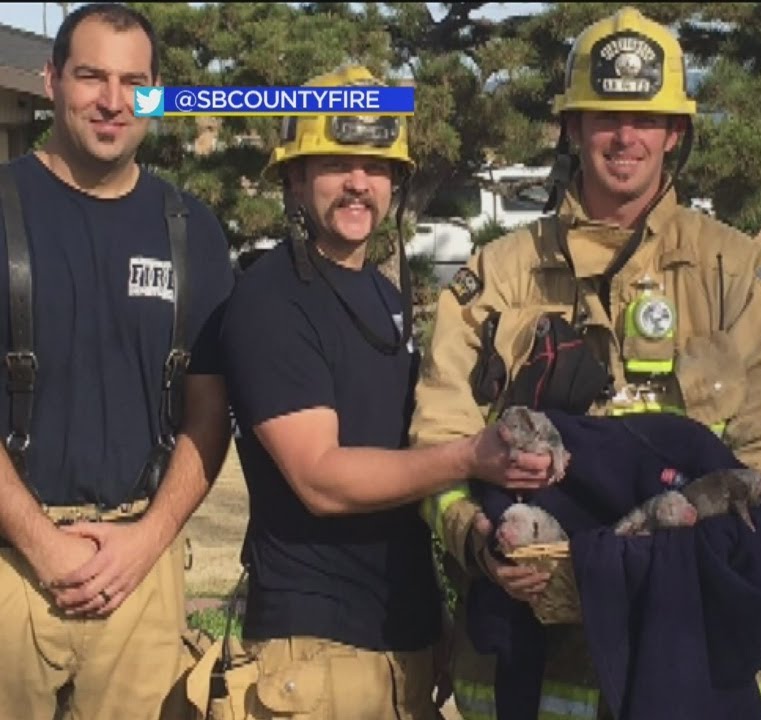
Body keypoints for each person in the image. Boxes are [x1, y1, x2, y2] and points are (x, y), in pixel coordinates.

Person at [409, 6, 761, 718]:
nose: (624, 137)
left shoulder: (732, 272)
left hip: (688, 645)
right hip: (529, 671)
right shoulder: (498, 276)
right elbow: (438, 438)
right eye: (602, 116)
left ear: (674, 135)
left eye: (645, 119)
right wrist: (480, 542)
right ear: (572, 128)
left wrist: (693, 536)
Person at [216, 64, 558, 720]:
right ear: (293, 175)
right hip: (314, 656)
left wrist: (439, 606)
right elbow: (321, 478)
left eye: (375, 166)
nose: (357, 183)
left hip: (403, 645)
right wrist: (471, 456)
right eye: (336, 163)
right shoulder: (273, 300)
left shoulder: (380, 291)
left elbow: (403, 469)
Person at [0, 3, 237, 718]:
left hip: (142, 566)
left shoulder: (191, 228)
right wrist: (42, 544)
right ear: (50, 80)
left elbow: (209, 411)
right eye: (90, 76)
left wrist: (147, 541)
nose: (112, 100)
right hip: (11, 563)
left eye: (134, 81)